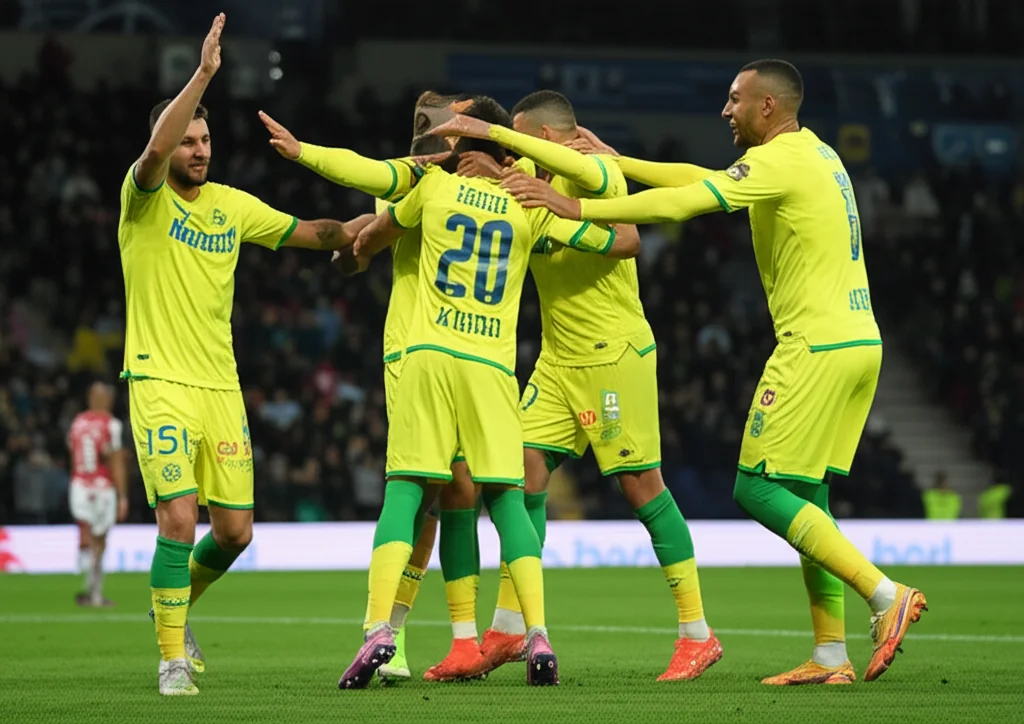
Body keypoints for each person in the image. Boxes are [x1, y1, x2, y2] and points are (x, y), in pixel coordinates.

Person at [503, 59, 927, 685]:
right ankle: (831, 656)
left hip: (814, 345)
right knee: (809, 496)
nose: (725, 110)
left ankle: (886, 596)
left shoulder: (781, 162)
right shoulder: (814, 155)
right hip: (860, 340)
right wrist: (621, 161)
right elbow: (696, 177)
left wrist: (574, 204)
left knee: (756, 488)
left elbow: (684, 204)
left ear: (768, 107)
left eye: (735, 100)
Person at [337, 97, 640, 689]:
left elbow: (367, 238)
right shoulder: (528, 201)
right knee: (499, 498)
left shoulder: (425, 188)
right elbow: (623, 239)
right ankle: (534, 633)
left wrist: (348, 240)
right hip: (493, 365)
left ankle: (385, 630)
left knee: (411, 493)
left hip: (423, 355)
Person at [428, 90, 720, 682]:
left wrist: (560, 205)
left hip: (613, 357)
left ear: (551, 137)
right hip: (558, 363)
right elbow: (497, 180)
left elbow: (631, 240)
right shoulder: (529, 181)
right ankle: (510, 628)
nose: (517, 150)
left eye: (523, 137)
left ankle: (697, 633)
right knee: (518, 476)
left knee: (642, 488)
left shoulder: (595, 173)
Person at [120, 14, 372, 696]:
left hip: (220, 389)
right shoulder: (142, 201)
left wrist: (386, 218)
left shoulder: (230, 205)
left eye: (206, 139)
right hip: (160, 381)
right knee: (178, 516)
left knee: (234, 534)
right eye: (189, 141)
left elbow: (317, 234)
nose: (200, 150)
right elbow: (150, 157)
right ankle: (172, 660)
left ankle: (170, 605)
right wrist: (203, 74)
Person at [258, 91, 468, 682]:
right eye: (452, 119)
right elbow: (361, 213)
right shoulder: (411, 179)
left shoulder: (481, 178)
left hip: (468, 352)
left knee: (450, 493)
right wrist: (351, 241)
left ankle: (424, 634)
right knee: (421, 485)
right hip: (413, 348)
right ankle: (386, 631)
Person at [68, 382, 127, 608]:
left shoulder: (78, 422)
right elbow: (115, 459)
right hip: (102, 486)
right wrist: (122, 495)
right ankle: (94, 591)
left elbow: (72, 452)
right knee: (100, 540)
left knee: (88, 532)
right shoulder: (111, 424)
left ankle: (89, 583)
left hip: (79, 484)